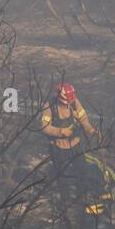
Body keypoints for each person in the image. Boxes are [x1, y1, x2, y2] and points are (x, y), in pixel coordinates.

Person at [40, 82, 98, 210]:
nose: (69, 104)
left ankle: (81, 197)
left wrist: (92, 130)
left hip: (75, 144)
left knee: (82, 170)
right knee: (62, 176)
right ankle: (65, 201)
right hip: (57, 147)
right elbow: (44, 127)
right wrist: (61, 132)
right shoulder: (49, 107)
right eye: (66, 102)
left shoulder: (74, 102)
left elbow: (83, 119)